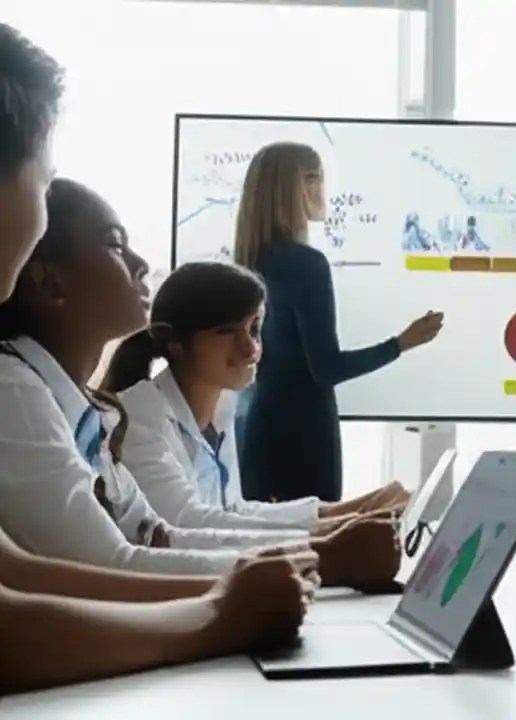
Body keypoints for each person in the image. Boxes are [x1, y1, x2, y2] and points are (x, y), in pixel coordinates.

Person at [0, 21, 310, 694]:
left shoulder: (80, 404)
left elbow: (27, 571)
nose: (139, 264)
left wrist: (277, 568)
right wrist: (226, 607)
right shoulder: (13, 386)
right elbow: (94, 570)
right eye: (41, 176)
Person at [0, 177, 401, 590]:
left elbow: (162, 537)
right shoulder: (15, 390)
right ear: (51, 284)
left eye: (256, 329)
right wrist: (324, 554)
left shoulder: (91, 413)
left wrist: (326, 540)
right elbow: (115, 565)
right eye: (115, 244)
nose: (139, 263)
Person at [103, 261, 409, 535]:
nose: (250, 349)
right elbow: (188, 522)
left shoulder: (223, 410)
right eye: (226, 332)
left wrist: (356, 508)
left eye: (254, 329)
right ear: (177, 344)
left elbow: (234, 511)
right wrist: (339, 530)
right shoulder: (139, 416)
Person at [233, 142, 444, 503]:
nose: (323, 189)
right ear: (300, 186)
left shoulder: (248, 261)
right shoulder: (306, 264)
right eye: (317, 178)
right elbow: (326, 368)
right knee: (313, 549)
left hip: (258, 429)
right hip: (304, 435)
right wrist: (401, 343)